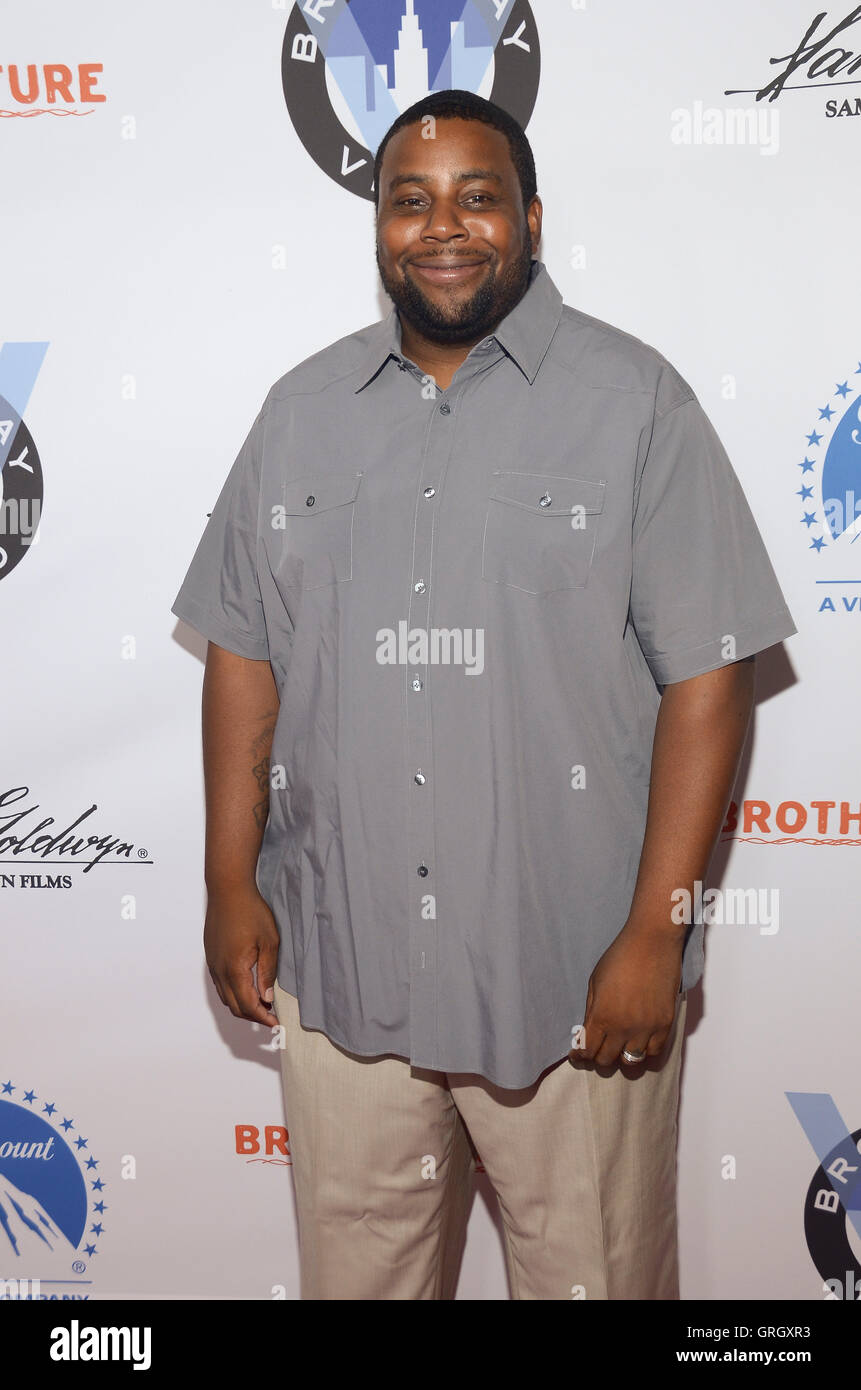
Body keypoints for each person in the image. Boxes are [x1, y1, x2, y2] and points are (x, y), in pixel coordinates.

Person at [170, 89, 796, 1301]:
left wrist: (655, 933)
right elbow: (246, 651)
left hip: (570, 983)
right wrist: (228, 877)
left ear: (531, 218)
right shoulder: (299, 417)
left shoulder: (637, 405)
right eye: (411, 199)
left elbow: (710, 679)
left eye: (476, 196)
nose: (442, 227)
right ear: (378, 229)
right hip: (344, 967)